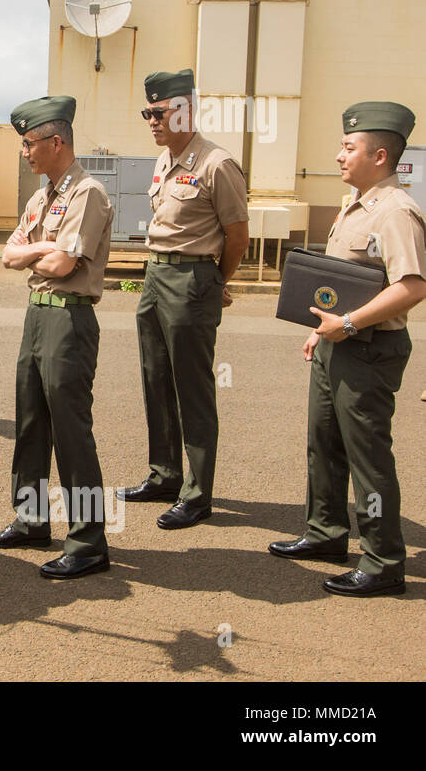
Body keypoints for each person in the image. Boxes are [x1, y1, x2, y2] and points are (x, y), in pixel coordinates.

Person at [270, 102, 425, 597]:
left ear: (380, 155)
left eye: (348, 147)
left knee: (368, 457)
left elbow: (413, 286)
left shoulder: (396, 210)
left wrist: (350, 323)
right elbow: (348, 282)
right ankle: (326, 533)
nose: (338, 155)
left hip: (370, 348)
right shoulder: (354, 203)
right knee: (324, 443)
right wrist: (323, 327)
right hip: (340, 342)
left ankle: (383, 561)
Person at [0, 96, 113, 579]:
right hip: (37, 315)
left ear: (57, 142)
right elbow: (8, 255)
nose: (24, 152)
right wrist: (42, 246)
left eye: (30, 143)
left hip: (70, 320)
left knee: (71, 433)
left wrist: (34, 252)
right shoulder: (44, 197)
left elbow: (61, 265)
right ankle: (32, 518)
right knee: (31, 423)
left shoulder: (87, 194)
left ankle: (88, 541)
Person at [117, 69, 249, 530]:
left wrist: (215, 280)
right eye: (147, 112)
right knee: (156, 379)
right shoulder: (162, 161)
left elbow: (237, 235)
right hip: (154, 276)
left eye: (159, 112)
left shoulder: (216, 164)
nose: (151, 120)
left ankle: (198, 493)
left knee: (192, 388)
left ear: (186, 112)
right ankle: (165, 475)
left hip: (193, 279)